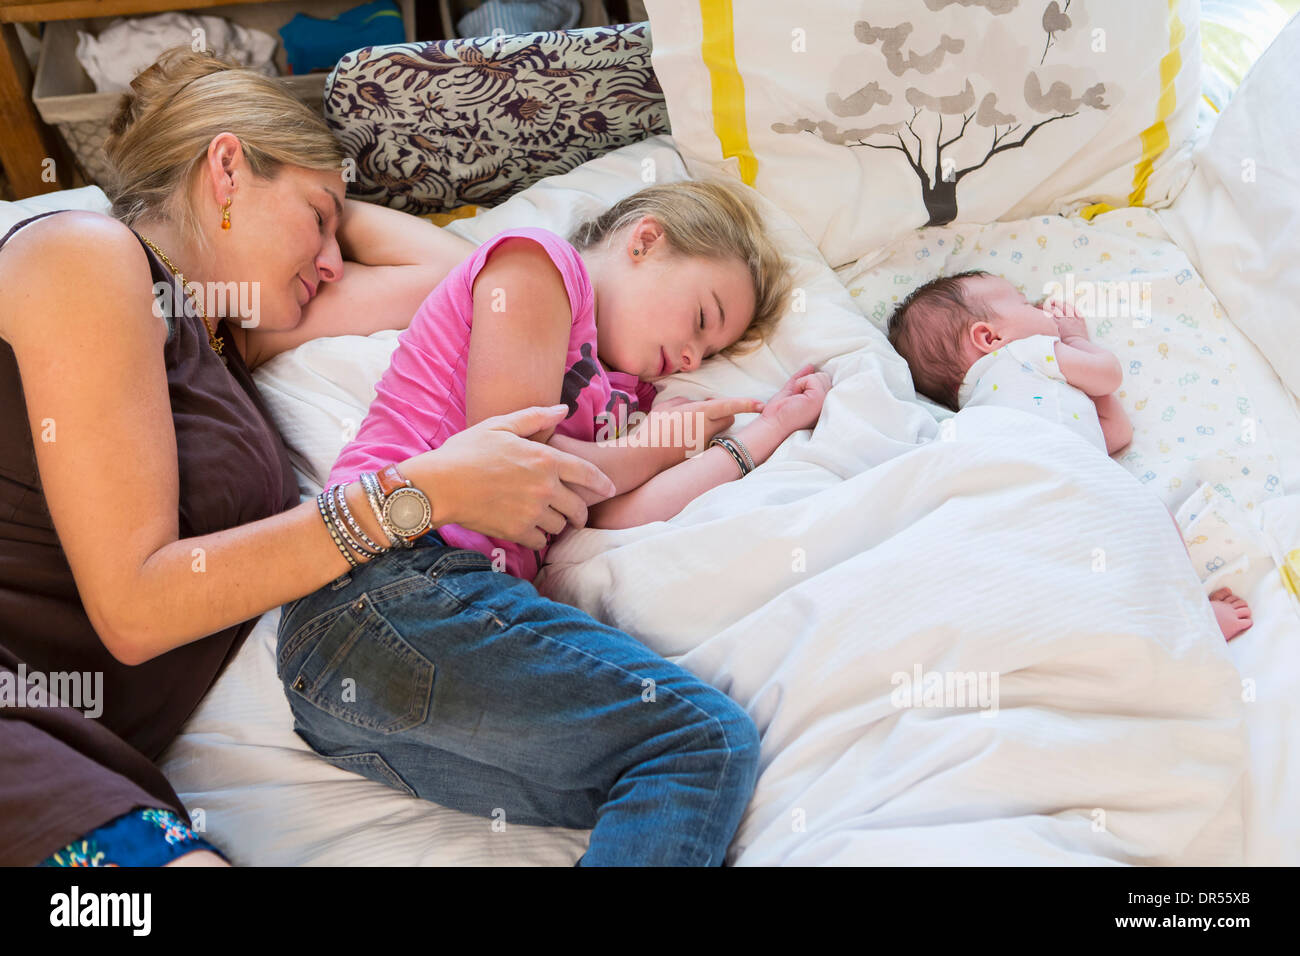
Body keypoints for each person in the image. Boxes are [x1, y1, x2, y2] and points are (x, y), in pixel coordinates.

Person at [0, 47, 617, 867]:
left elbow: (457, 272)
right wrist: (418, 495)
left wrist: (320, 203)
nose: (334, 260)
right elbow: (139, 607)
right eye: (319, 217)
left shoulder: (221, 336)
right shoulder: (82, 258)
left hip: (87, 749)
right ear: (226, 168)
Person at [280, 179, 830, 865]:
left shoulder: (619, 400)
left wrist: (755, 438)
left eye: (709, 351)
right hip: (385, 584)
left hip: (360, 698)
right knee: (701, 742)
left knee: (652, 775)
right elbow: (508, 454)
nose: (693, 356)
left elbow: (614, 512)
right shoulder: (536, 268)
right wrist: (656, 443)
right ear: (646, 241)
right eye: (700, 316)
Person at [888, 270, 1251, 641]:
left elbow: (1112, 433)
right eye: (1026, 304)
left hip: (1027, 493)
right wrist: (1076, 338)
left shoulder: (975, 403)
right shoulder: (1022, 353)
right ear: (989, 337)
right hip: (1057, 477)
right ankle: (1187, 615)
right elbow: (1108, 375)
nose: (1043, 310)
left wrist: (1078, 385)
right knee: (1150, 525)